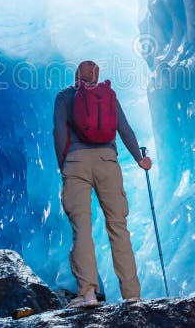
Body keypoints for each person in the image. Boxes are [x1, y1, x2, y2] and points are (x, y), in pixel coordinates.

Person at [53, 60, 152, 308]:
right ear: (96, 77)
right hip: (108, 161)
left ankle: (87, 294)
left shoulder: (65, 96)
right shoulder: (108, 96)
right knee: (118, 227)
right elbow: (125, 129)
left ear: (77, 75)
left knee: (82, 228)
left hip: (76, 163)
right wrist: (140, 159)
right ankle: (132, 295)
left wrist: (64, 164)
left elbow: (59, 132)